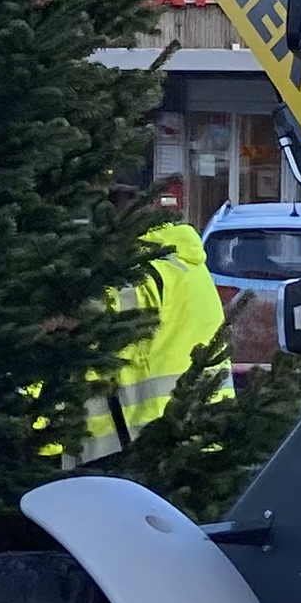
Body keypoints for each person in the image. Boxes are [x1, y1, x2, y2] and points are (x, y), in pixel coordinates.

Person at [72, 190, 230, 464]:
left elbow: (100, 314)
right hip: (204, 426)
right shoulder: (187, 263)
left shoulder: (140, 272)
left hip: (152, 439)